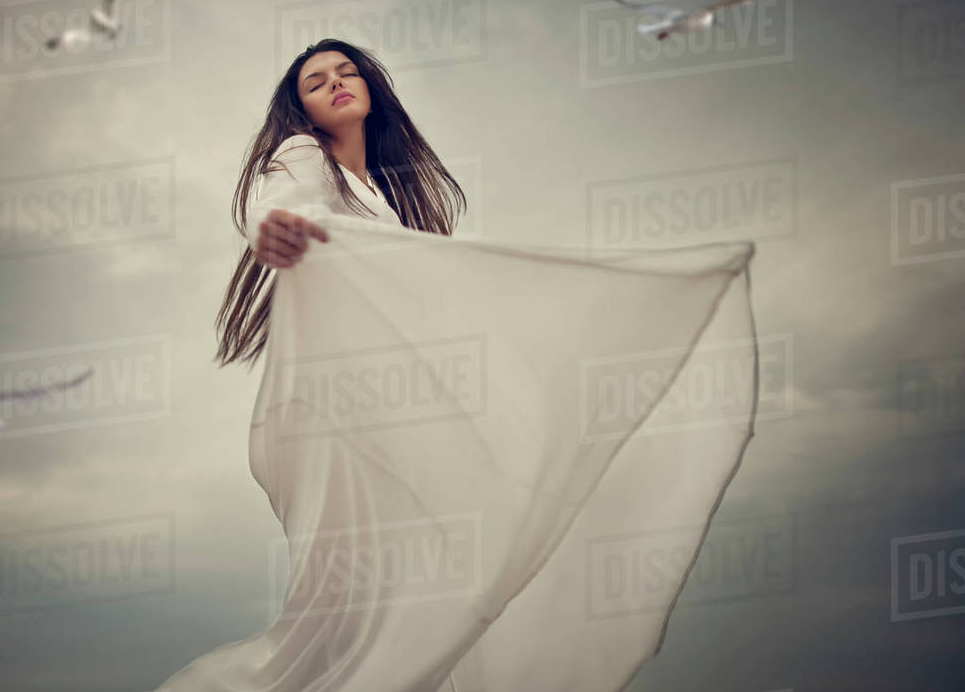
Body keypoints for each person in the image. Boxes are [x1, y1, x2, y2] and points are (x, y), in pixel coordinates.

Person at [166, 39, 759, 691]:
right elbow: (282, 201)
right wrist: (275, 227)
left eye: (347, 71)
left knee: (433, 576)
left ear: (370, 89)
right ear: (301, 110)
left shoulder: (385, 195)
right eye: (316, 81)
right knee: (371, 594)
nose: (336, 82)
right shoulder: (304, 154)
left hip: (397, 405)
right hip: (345, 409)